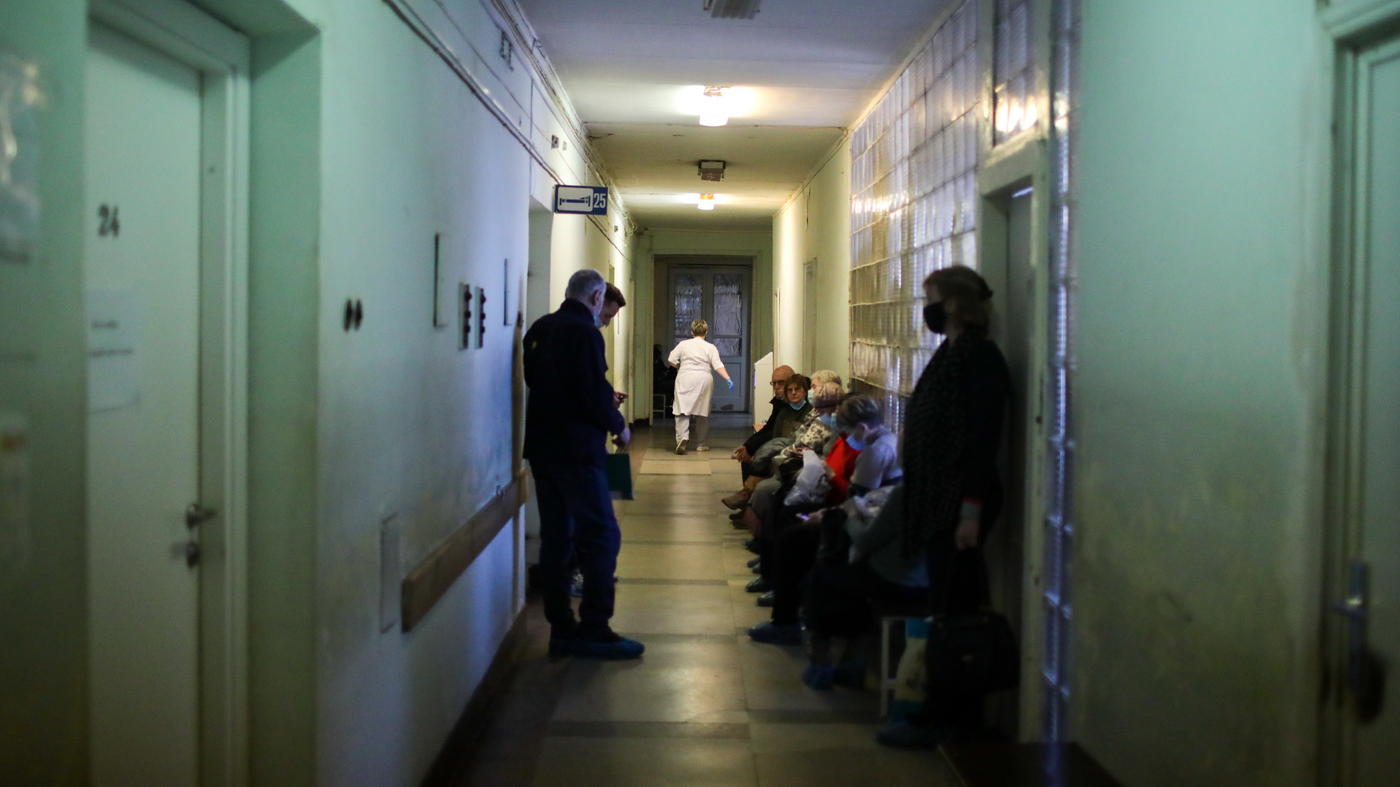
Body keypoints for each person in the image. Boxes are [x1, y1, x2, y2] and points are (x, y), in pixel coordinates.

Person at [876, 264, 1011, 749]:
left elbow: (981, 442)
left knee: (957, 611)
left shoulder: (980, 358)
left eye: (931, 298)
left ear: (953, 303)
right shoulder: (950, 353)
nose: (927, 308)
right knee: (946, 605)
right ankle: (943, 714)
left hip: (959, 504)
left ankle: (951, 719)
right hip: (938, 501)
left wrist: (970, 512)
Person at [522, 268, 644, 660]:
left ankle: (561, 629)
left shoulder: (540, 329)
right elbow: (591, 392)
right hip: (577, 452)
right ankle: (594, 628)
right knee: (602, 535)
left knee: (557, 539)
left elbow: (541, 383)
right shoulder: (585, 333)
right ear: (595, 297)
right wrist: (619, 426)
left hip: (543, 450)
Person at [667, 319, 733, 454]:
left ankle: (682, 438)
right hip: (704, 378)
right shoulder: (710, 347)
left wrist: (681, 367)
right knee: (702, 412)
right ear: (706, 332)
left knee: (682, 410)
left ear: (692, 332)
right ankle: (701, 444)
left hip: (685, 377)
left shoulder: (683, 345)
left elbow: (671, 360)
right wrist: (728, 379)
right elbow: (718, 365)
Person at [733, 365, 794, 480]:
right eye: (774, 383)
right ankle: (748, 488)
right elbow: (769, 427)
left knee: (753, 458)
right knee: (746, 456)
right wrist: (747, 445)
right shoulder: (779, 402)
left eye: (781, 383)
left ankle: (751, 487)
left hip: (783, 444)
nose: (776, 387)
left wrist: (750, 448)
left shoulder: (792, 405)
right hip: (775, 440)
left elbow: (776, 432)